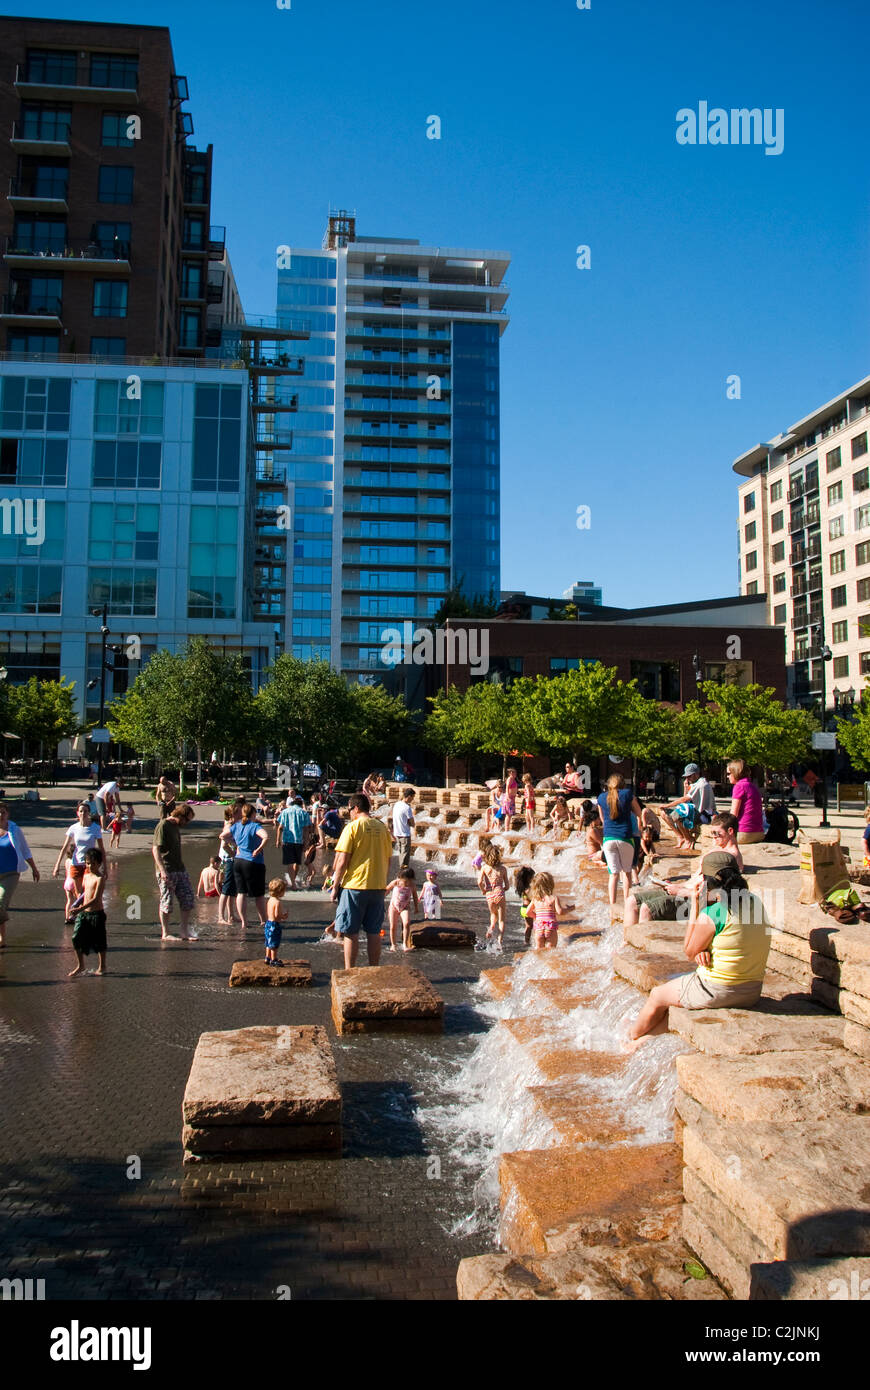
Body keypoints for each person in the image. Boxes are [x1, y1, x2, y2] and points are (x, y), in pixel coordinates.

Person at [628, 862, 771, 1045]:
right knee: (673, 1008)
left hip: (719, 990)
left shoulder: (715, 912)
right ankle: (640, 1044)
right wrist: (703, 950)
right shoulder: (755, 902)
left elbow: (688, 950)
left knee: (657, 995)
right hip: (752, 991)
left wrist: (696, 903)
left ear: (708, 885)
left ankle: (632, 1036)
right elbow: (733, 938)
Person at [330, 792, 393, 968]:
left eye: (350, 809)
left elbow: (342, 861)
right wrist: (382, 880)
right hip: (378, 886)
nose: (349, 813)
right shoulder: (382, 828)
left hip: (354, 887)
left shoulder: (352, 827)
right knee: (374, 932)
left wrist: (335, 886)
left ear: (356, 808)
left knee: (351, 932)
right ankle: (374, 969)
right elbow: (388, 859)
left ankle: (350, 971)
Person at [625, 846, 742, 930]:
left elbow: (715, 895)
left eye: (717, 833)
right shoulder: (717, 854)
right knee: (631, 900)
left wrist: (682, 892)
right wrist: (676, 886)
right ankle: (627, 941)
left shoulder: (727, 861)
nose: (715, 836)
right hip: (685, 891)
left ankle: (641, 944)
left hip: (691, 897)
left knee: (647, 908)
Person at [595, 774, 643, 922]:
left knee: (613, 874)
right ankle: (628, 905)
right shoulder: (628, 794)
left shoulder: (601, 797)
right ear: (622, 784)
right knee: (627, 873)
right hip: (625, 838)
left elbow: (602, 819)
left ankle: (612, 907)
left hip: (608, 839)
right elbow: (638, 812)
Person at [53, 802, 105, 923]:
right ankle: (80, 916)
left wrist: (104, 867)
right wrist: (57, 865)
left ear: (89, 813)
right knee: (78, 893)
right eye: (81, 811)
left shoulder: (95, 828)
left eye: (85, 811)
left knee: (87, 892)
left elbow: (101, 848)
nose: (83, 813)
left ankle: (85, 913)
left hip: (89, 864)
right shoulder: (73, 828)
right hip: (76, 863)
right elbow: (65, 847)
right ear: (77, 813)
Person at [152, 803, 197, 941]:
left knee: (188, 898)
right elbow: (155, 849)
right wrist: (162, 871)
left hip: (179, 868)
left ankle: (184, 931)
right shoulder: (163, 825)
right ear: (180, 815)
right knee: (167, 901)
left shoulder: (176, 826)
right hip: (167, 869)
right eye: (187, 820)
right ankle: (165, 933)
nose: (187, 823)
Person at [223, 803, 270, 930]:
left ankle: (244, 922)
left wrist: (235, 844)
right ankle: (263, 921)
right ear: (253, 814)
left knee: (241, 892)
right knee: (259, 894)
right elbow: (266, 836)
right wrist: (259, 849)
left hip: (238, 862)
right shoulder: (254, 826)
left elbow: (222, 836)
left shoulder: (237, 825)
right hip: (254, 862)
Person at [0, 802, 39, 947]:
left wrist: (34, 869)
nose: (0, 815)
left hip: (11, 874)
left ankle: (2, 939)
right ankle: (2, 935)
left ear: (7, 814)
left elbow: (25, 850)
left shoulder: (15, 829)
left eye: (3, 812)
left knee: (0, 903)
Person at [68, 847, 107, 977]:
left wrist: (80, 908)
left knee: (99, 940)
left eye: (93, 864)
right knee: (76, 938)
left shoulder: (100, 878)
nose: (90, 866)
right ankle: (81, 965)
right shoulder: (87, 876)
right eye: (88, 863)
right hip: (84, 913)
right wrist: (77, 904)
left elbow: (96, 898)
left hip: (96, 914)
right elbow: (84, 894)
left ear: (99, 864)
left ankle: (102, 966)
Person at [527, 871, 572, 951]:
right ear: (551, 884)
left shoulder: (535, 899)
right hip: (550, 927)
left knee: (539, 951)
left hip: (539, 927)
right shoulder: (553, 898)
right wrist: (570, 909)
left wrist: (537, 917)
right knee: (551, 951)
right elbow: (560, 912)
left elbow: (528, 912)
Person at [275, 793, 311, 889]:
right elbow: (306, 829)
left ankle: (293, 883)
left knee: (290, 863)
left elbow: (280, 827)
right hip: (299, 841)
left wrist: (277, 840)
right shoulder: (304, 813)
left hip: (287, 840)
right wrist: (306, 843)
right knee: (297, 862)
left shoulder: (285, 812)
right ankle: (293, 881)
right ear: (300, 804)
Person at [477, 840, 508, 948]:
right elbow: (507, 885)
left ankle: (491, 927)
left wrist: (483, 890)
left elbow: (479, 882)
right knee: (502, 919)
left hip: (489, 895)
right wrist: (505, 888)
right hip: (500, 894)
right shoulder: (503, 869)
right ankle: (500, 940)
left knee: (493, 915)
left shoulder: (485, 868)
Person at [727, 759, 765, 844]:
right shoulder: (752, 786)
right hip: (759, 833)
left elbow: (733, 815)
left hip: (744, 833)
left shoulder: (739, 786)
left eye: (729, 773)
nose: (727, 776)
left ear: (736, 772)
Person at [218, 806, 243, 925]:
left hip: (231, 859)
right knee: (226, 888)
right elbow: (223, 844)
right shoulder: (229, 826)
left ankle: (231, 915)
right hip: (228, 859)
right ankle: (221, 917)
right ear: (232, 815)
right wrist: (234, 853)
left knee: (232, 888)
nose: (241, 815)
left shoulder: (234, 825)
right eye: (238, 813)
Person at [386, 865, 419, 951]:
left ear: (411, 879)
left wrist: (416, 907)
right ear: (401, 877)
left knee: (407, 923)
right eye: (404, 881)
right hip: (394, 906)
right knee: (393, 926)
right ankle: (393, 944)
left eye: (408, 881)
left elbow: (415, 897)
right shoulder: (396, 882)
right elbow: (387, 889)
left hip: (405, 907)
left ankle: (405, 944)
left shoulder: (412, 885)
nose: (406, 883)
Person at [264, 877, 288, 966]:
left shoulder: (270, 900)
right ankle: (274, 959)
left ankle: (267, 957)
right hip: (274, 925)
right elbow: (277, 915)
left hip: (268, 923)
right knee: (274, 943)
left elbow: (269, 912)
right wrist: (284, 916)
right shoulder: (277, 902)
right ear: (280, 891)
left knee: (268, 942)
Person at [392, 788, 415, 870]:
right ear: (409, 796)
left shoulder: (397, 804)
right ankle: (403, 874)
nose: (412, 799)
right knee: (405, 857)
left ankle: (401, 872)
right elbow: (412, 823)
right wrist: (410, 823)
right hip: (405, 834)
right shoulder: (407, 808)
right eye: (412, 797)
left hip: (397, 833)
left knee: (401, 853)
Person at [514, 864, 536, 945]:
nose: (534, 879)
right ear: (528, 878)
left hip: (523, 908)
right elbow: (532, 899)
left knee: (528, 926)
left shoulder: (522, 887)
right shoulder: (529, 889)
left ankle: (527, 941)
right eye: (533, 877)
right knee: (531, 926)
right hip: (528, 909)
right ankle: (528, 942)